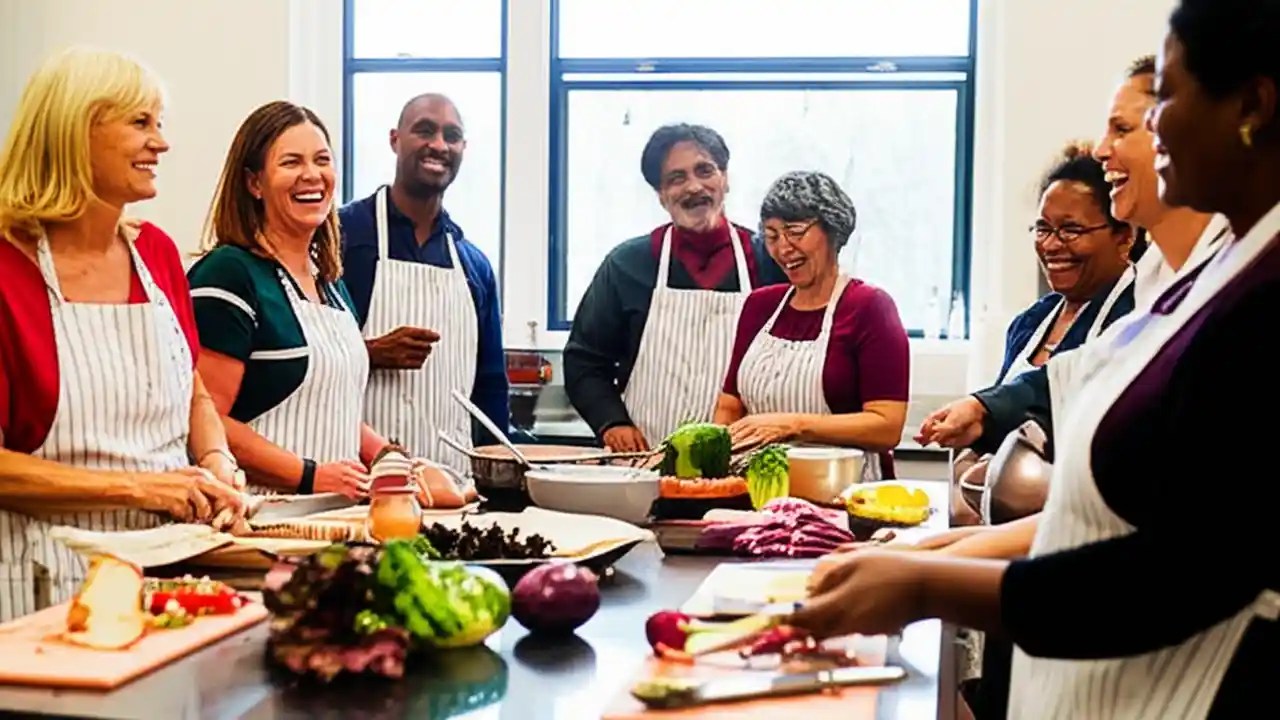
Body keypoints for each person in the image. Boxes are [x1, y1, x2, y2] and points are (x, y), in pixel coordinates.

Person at [795, 3, 1280, 716]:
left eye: (1167, 97)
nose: (1148, 128)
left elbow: (1187, 573)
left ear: (1253, 104)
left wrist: (925, 586)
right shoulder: (1217, 274)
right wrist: (921, 561)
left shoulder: (1267, 296)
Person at [0, 48, 246, 619]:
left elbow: (192, 389)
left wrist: (216, 461)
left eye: (159, 124)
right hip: (46, 584)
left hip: (167, 573)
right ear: (72, 132)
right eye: (140, 123)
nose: (161, 143)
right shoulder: (9, 271)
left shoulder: (155, 253)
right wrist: (142, 487)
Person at [917, 54, 1230, 459]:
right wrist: (984, 409)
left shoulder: (1232, 280)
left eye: (1122, 129)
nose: (1101, 150)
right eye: (1044, 228)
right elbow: (1088, 372)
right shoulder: (1158, 277)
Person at [190, 101, 393, 499]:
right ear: (254, 183)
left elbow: (330, 407)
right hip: (260, 514)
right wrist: (309, 475)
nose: (311, 175)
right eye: (291, 163)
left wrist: (389, 458)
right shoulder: (229, 273)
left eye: (322, 160)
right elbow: (205, 415)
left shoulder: (330, 284)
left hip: (336, 515)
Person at [564, 124, 787, 453]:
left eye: (705, 170)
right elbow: (584, 361)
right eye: (676, 178)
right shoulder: (627, 265)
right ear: (661, 195)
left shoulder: (769, 262)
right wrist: (612, 422)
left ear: (725, 180)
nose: (694, 186)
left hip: (744, 460)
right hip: (645, 462)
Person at [947, 142, 1136, 523]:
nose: (1051, 245)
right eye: (1043, 228)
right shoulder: (1031, 322)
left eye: (1070, 230)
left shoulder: (1132, 316)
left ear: (1124, 236)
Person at [338, 93, 510, 473]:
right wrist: (370, 352)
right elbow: (307, 357)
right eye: (425, 131)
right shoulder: (342, 236)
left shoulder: (474, 266)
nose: (439, 145)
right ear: (394, 139)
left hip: (452, 481)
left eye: (452, 135)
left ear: (463, 148)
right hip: (356, 476)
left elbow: (490, 386)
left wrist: (499, 475)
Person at [713, 171, 909, 480]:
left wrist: (791, 426)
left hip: (842, 487)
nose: (782, 248)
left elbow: (887, 426)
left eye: (795, 231)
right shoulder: (760, 307)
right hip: (757, 487)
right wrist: (713, 461)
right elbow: (730, 404)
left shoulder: (870, 307)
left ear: (832, 230)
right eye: (772, 235)